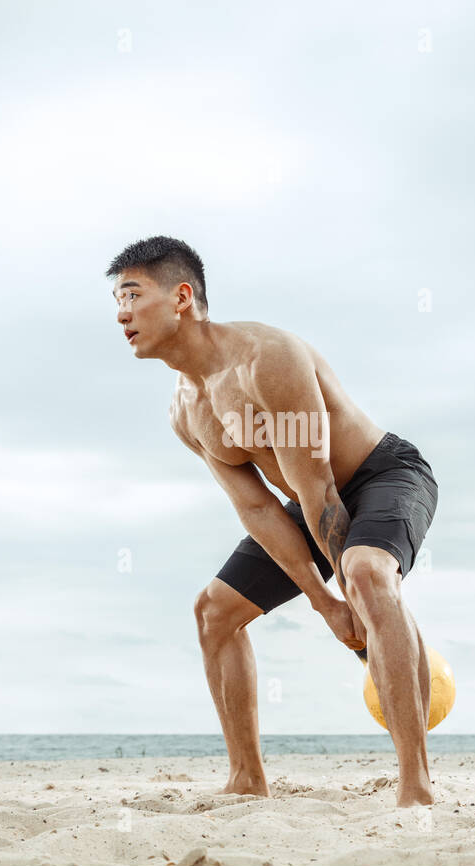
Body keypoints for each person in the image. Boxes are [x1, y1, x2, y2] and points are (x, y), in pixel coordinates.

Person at [106, 236, 440, 806]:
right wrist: (322, 603)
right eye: (116, 300)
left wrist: (351, 607)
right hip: (306, 502)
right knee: (214, 613)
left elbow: (321, 490)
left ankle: (416, 786)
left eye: (133, 295)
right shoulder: (187, 410)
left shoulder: (266, 360)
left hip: (381, 475)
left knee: (364, 573)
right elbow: (258, 506)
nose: (122, 313)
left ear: (182, 296)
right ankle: (246, 778)